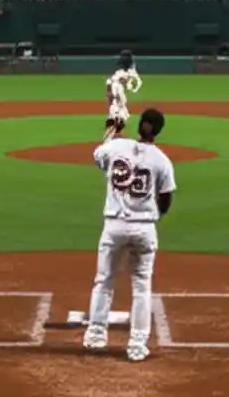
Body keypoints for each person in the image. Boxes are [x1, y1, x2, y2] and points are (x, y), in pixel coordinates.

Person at [83, 108, 176, 362]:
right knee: (141, 287)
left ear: (140, 125)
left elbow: (99, 156)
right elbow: (166, 199)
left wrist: (113, 125)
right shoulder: (162, 160)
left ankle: (96, 334)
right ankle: (136, 345)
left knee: (104, 281)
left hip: (113, 226)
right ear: (157, 130)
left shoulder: (117, 147)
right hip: (144, 228)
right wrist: (151, 213)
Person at [104, 50, 143, 139]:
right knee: (118, 118)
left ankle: (117, 136)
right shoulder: (126, 72)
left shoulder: (122, 73)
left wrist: (110, 93)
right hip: (118, 95)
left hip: (117, 95)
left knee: (116, 118)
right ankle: (116, 136)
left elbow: (110, 84)